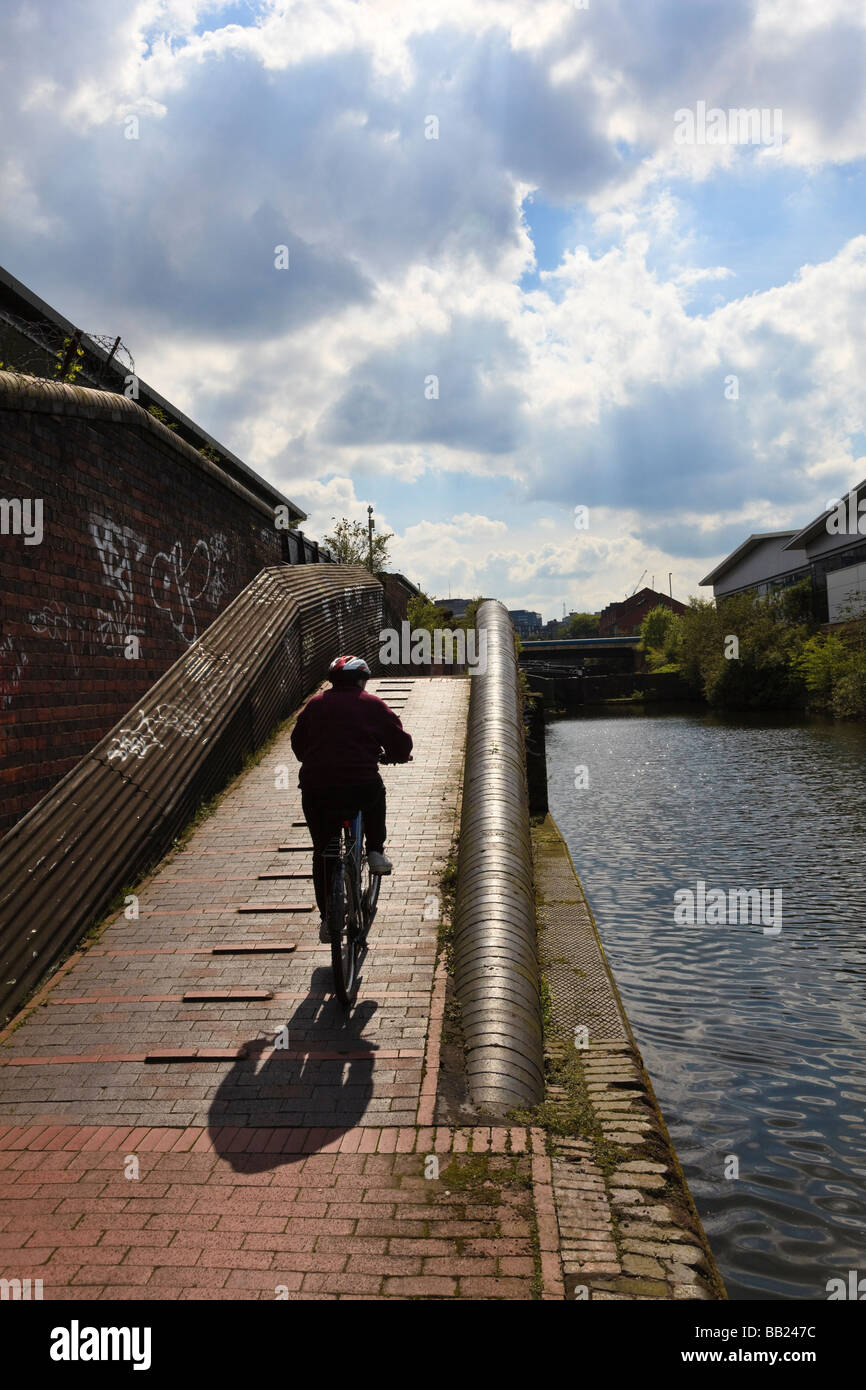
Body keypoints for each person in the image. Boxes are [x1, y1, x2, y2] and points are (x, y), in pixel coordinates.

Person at [290, 655, 413, 939]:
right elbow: (400, 741)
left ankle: (326, 919)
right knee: (375, 793)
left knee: (324, 851)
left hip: (317, 789)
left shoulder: (314, 705)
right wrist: (397, 756)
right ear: (362, 680)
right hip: (360, 786)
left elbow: (298, 744)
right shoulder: (371, 704)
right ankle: (375, 851)